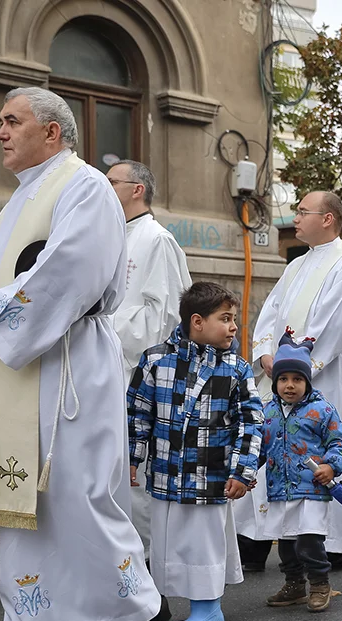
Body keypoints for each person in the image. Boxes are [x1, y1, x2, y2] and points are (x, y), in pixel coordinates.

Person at [0, 87, 164, 621]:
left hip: (69, 368)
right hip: (19, 371)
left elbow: (70, 270)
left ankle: (135, 609)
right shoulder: (19, 201)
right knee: (25, 506)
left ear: (51, 132)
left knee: (79, 493)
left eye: (11, 121)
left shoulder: (85, 186)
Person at [236, 191, 342, 572]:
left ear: (327, 219)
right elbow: (271, 311)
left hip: (322, 382)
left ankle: (334, 547)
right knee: (271, 449)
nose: (294, 218)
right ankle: (258, 541)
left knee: (316, 453)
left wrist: (294, 366)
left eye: (302, 211)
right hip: (282, 377)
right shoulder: (296, 265)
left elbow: (336, 325)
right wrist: (266, 352)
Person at [128, 282, 262, 621]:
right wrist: (132, 456)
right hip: (166, 474)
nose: (234, 327)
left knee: (202, 541)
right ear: (197, 321)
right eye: (226, 319)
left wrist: (242, 471)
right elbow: (138, 412)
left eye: (234, 319)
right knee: (168, 538)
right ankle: (161, 604)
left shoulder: (236, 368)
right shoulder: (156, 360)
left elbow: (251, 422)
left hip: (211, 475)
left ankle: (208, 610)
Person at [106, 158, 191, 556]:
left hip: (138, 375)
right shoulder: (112, 235)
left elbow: (164, 317)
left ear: (136, 189)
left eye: (112, 182)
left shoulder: (157, 240)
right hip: (109, 370)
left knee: (138, 476)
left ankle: (152, 569)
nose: (104, 188)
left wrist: (101, 326)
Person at [261, 333, 342, 613]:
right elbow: (258, 448)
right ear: (275, 382)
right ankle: (294, 584)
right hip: (280, 489)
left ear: (307, 381)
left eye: (297, 379)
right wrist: (244, 474)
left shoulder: (321, 410)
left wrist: (330, 466)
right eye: (283, 379)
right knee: (286, 542)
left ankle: (319, 582)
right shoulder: (267, 413)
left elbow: (341, 441)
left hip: (311, 489)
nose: (290, 385)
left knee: (310, 540)